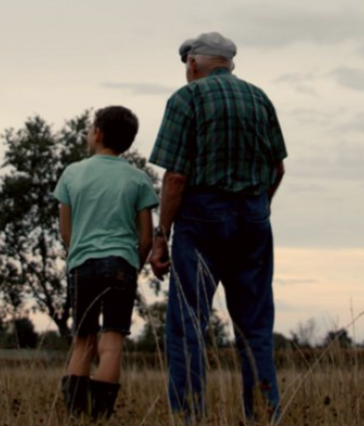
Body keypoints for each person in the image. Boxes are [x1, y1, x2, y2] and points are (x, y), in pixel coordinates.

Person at [149, 32, 287, 422]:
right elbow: (278, 168)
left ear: (193, 63)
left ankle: (190, 416)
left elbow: (175, 178)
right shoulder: (260, 99)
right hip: (253, 216)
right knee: (255, 326)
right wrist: (260, 209)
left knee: (188, 324)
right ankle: (263, 415)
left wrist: (162, 236)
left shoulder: (186, 98)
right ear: (229, 64)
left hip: (202, 217)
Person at [54, 106, 158, 419]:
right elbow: (146, 237)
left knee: (82, 341)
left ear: (97, 134)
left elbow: (65, 229)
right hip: (121, 265)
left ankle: (75, 416)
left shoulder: (72, 173)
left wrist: (78, 254)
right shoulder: (138, 178)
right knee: (112, 341)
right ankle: (99, 416)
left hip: (82, 264)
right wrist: (133, 265)